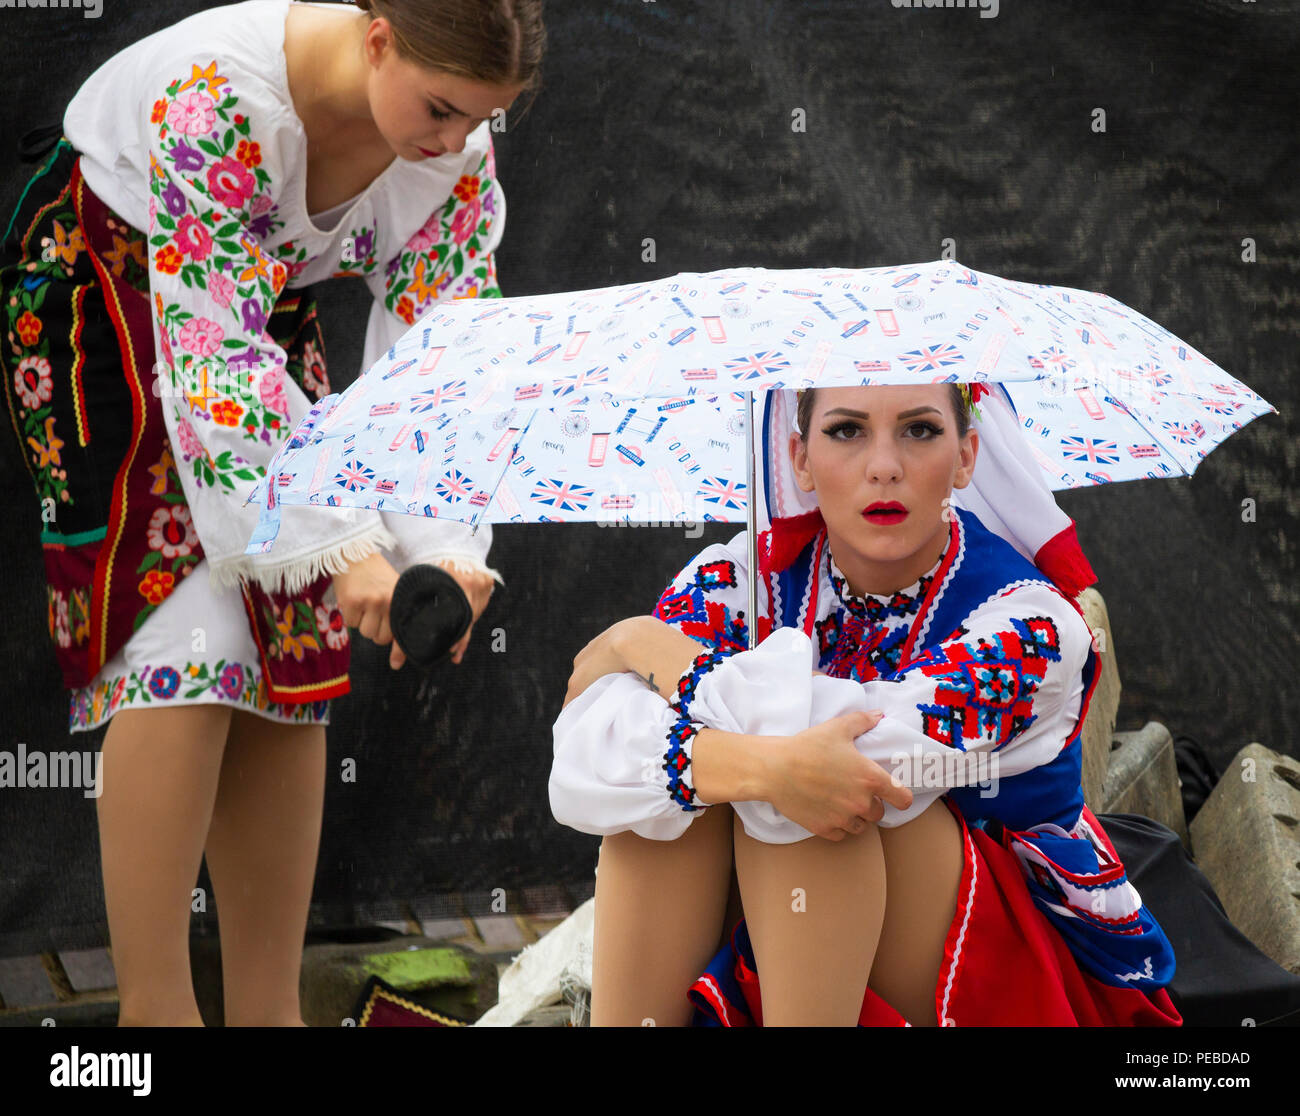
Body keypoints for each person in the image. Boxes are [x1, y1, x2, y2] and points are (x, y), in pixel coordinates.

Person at [0, 0, 545, 1025]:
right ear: (377, 32)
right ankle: (153, 1020)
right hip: (98, 276)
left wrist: (443, 555)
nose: (452, 141)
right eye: (438, 108)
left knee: (293, 647)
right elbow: (211, 360)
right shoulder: (223, 97)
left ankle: (268, 1014)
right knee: (189, 628)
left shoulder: (455, 159)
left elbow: (442, 365)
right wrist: (343, 546)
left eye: (479, 121)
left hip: (249, 310)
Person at [550, 380, 1183, 1027]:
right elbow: (583, 759)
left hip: (1007, 968)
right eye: (847, 431)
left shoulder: (1034, 628)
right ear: (800, 457)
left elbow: (845, 762)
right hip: (803, 937)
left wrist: (643, 646)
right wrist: (744, 764)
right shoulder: (744, 579)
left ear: (966, 455)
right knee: (667, 807)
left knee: (826, 795)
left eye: (919, 430)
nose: (884, 465)